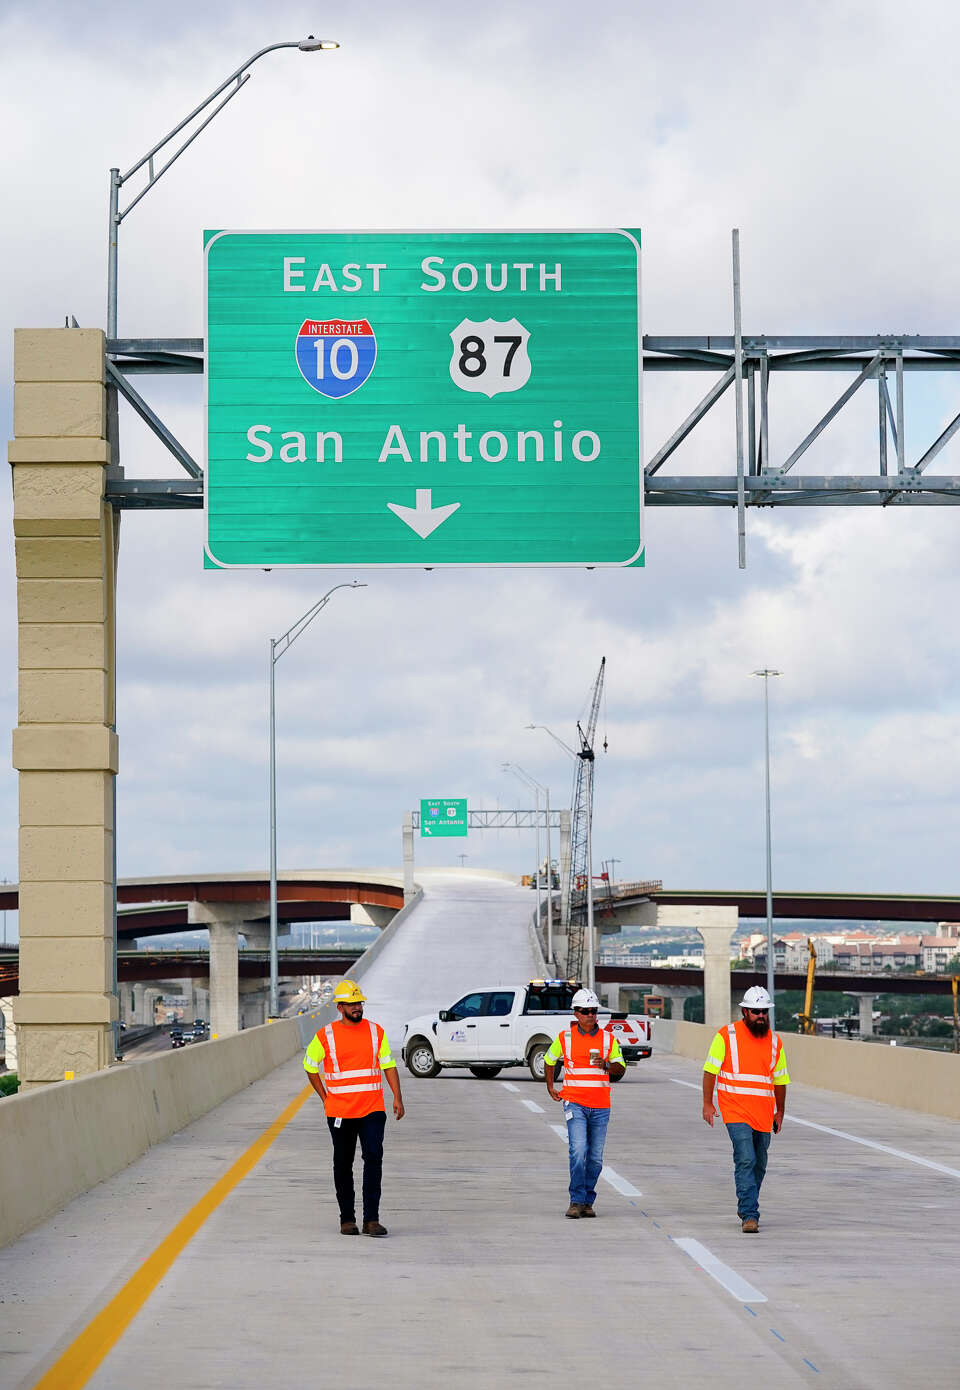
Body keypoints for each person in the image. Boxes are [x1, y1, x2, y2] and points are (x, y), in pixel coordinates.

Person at [303, 979, 404, 1237]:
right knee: (343, 1164)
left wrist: (397, 1097)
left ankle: (372, 1220)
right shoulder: (325, 1035)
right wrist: (325, 1097)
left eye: (359, 1003)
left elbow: (388, 1065)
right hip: (340, 1112)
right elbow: (310, 1065)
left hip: (372, 1109)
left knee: (373, 1159)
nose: (358, 1007)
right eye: (352, 1004)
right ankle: (347, 1219)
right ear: (340, 1007)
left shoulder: (375, 1032)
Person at [701, 985, 790, 1233]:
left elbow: (780, 1079)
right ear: (745, 1012)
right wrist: (708, 1103)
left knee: (759, 1164)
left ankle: (746, 1202)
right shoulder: (725, 1035)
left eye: (764, 1011)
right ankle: (750, 1215)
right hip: (735, 1110)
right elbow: (710, 1071)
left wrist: (780, 1111)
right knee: (746, 1159)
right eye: (755, 1011)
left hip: (763, 1113)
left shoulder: (775, 1041)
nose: (760, 1016)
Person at [544, 987, 626, 1218]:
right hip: (575, 1103)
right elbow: (549, 1061)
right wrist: (550, 1086)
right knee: (578, 1151)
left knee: (595, 1158)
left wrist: (607, 1065)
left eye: (593, 1010)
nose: (590, 1014)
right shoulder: (565, 1038)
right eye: (585, 1011)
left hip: (600, 1106)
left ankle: (587, 1200)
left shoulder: (608, 1039)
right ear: (576, 1013)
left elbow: (621, 1067)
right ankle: (576, 1200)